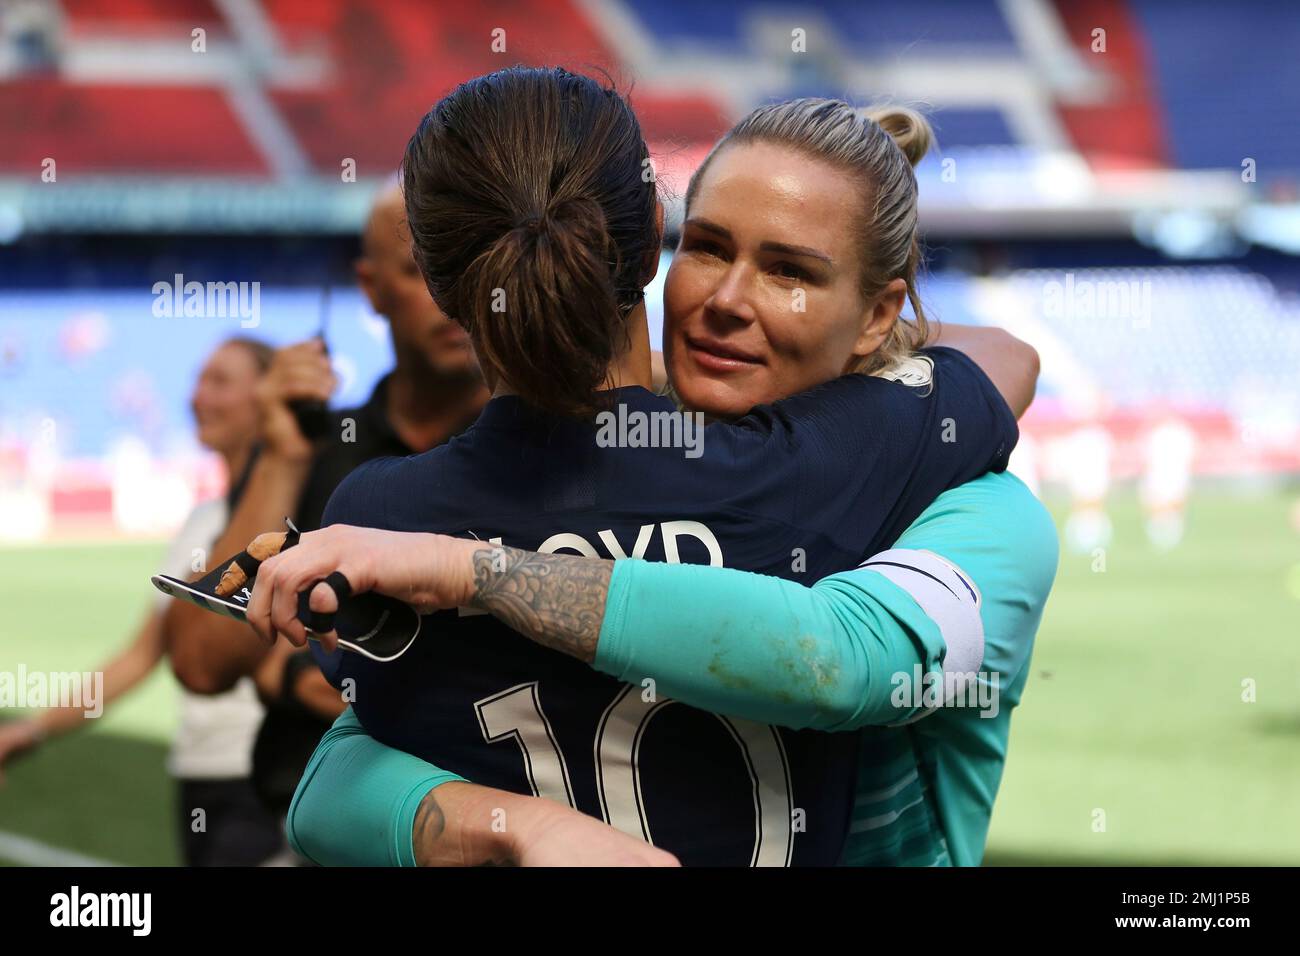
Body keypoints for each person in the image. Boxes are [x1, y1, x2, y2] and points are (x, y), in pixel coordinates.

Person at [232, 68, 1036, 866]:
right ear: (655, 240)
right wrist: (521, 828)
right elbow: (334, 777)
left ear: (879, 314)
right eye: (709, 246)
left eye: (792, 271)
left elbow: (840, 659)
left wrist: (474, 569)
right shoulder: (861, 470)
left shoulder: (976, 510)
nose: (728, 299)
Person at [166, 183, 490, 820]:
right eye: (424, 270)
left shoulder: (533, 448)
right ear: (370, 288)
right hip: (312, 827)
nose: (453, 294)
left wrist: (290, 674)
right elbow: (202, 664)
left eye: (472, 264)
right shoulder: (311, 445)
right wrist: (284, 454)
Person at [0, 338, 288, 865]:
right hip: (202, 779)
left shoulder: (303, 513)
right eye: (199, 379)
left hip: (272, 780)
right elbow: (141, 655)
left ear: (270, 395)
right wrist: (33, 731)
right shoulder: (202, 521)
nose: (199, 396)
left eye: (220, 381)